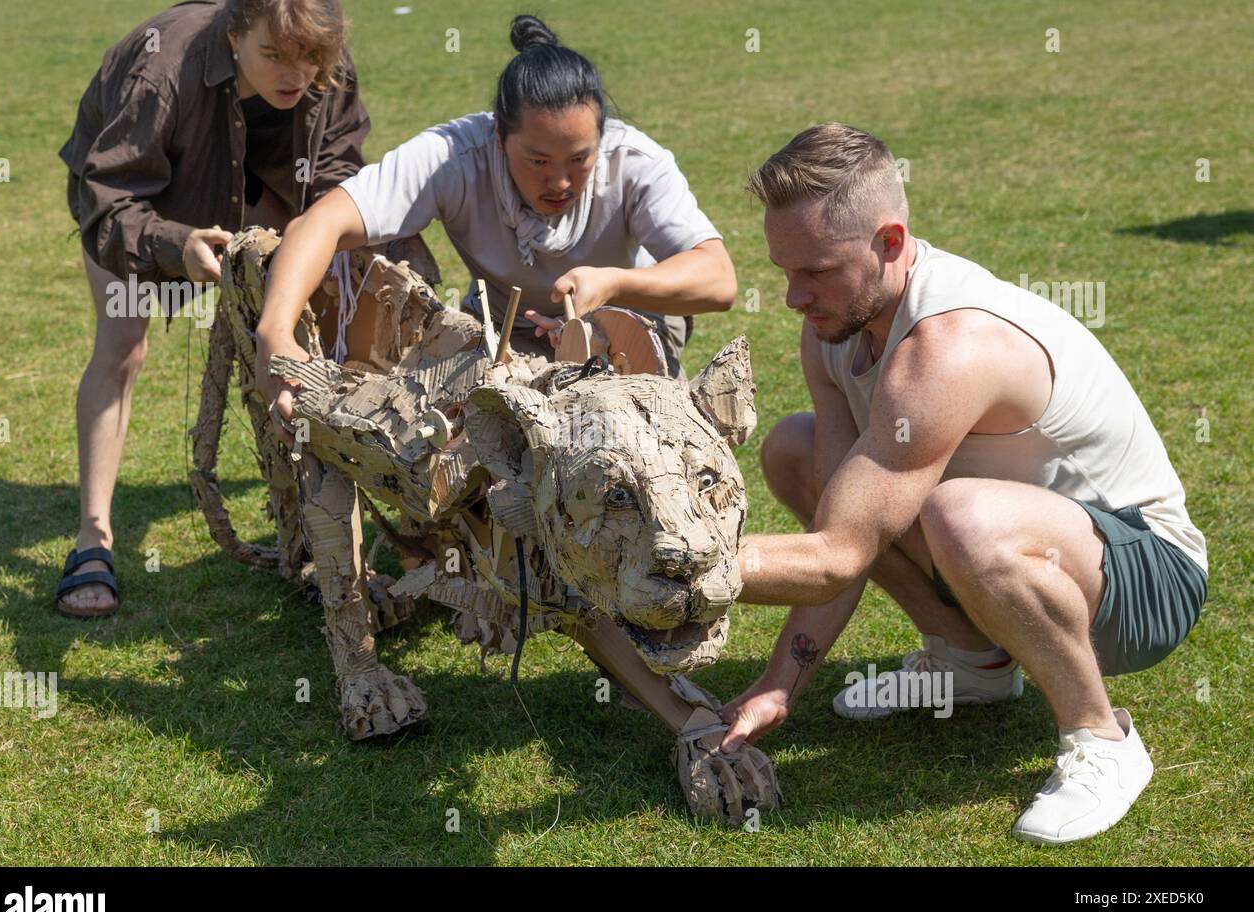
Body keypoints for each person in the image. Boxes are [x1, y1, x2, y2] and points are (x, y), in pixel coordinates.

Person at [719, 123, 1208, 845]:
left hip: (1146, 573)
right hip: (1026, 546)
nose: (794, 296)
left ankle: (1101, 740)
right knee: (795, 450)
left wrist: (664, 567)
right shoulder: (834, 330)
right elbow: (839, 524)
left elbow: (838, 556)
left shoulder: (948, 347)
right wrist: (777, 684)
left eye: (816, 270)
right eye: (784, 270)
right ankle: (971, 663)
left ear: (890, 242)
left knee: (961, 514)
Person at [253, 11, 735, 424]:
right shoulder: (455, 156)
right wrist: (274, 333)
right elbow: (320, 224)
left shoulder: (634, 161)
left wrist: (610, 286)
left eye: (579, 159)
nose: (561, 182)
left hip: (627, 328)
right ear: (499, 134)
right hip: (506, 336)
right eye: (538, 161)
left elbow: (718, 279)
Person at [56, 0, 370, 617]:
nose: (295, 72)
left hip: (265, 185)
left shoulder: (321, 52)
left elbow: (338, 175)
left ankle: (316, 533)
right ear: (234, 34)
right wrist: (176, 244)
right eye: (274, 56)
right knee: (122, 346)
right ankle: (93, 539)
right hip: (142, 196)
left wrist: (303, 255)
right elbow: (110, 198)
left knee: (307, 335)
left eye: (309, 57)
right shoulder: (163, 68)